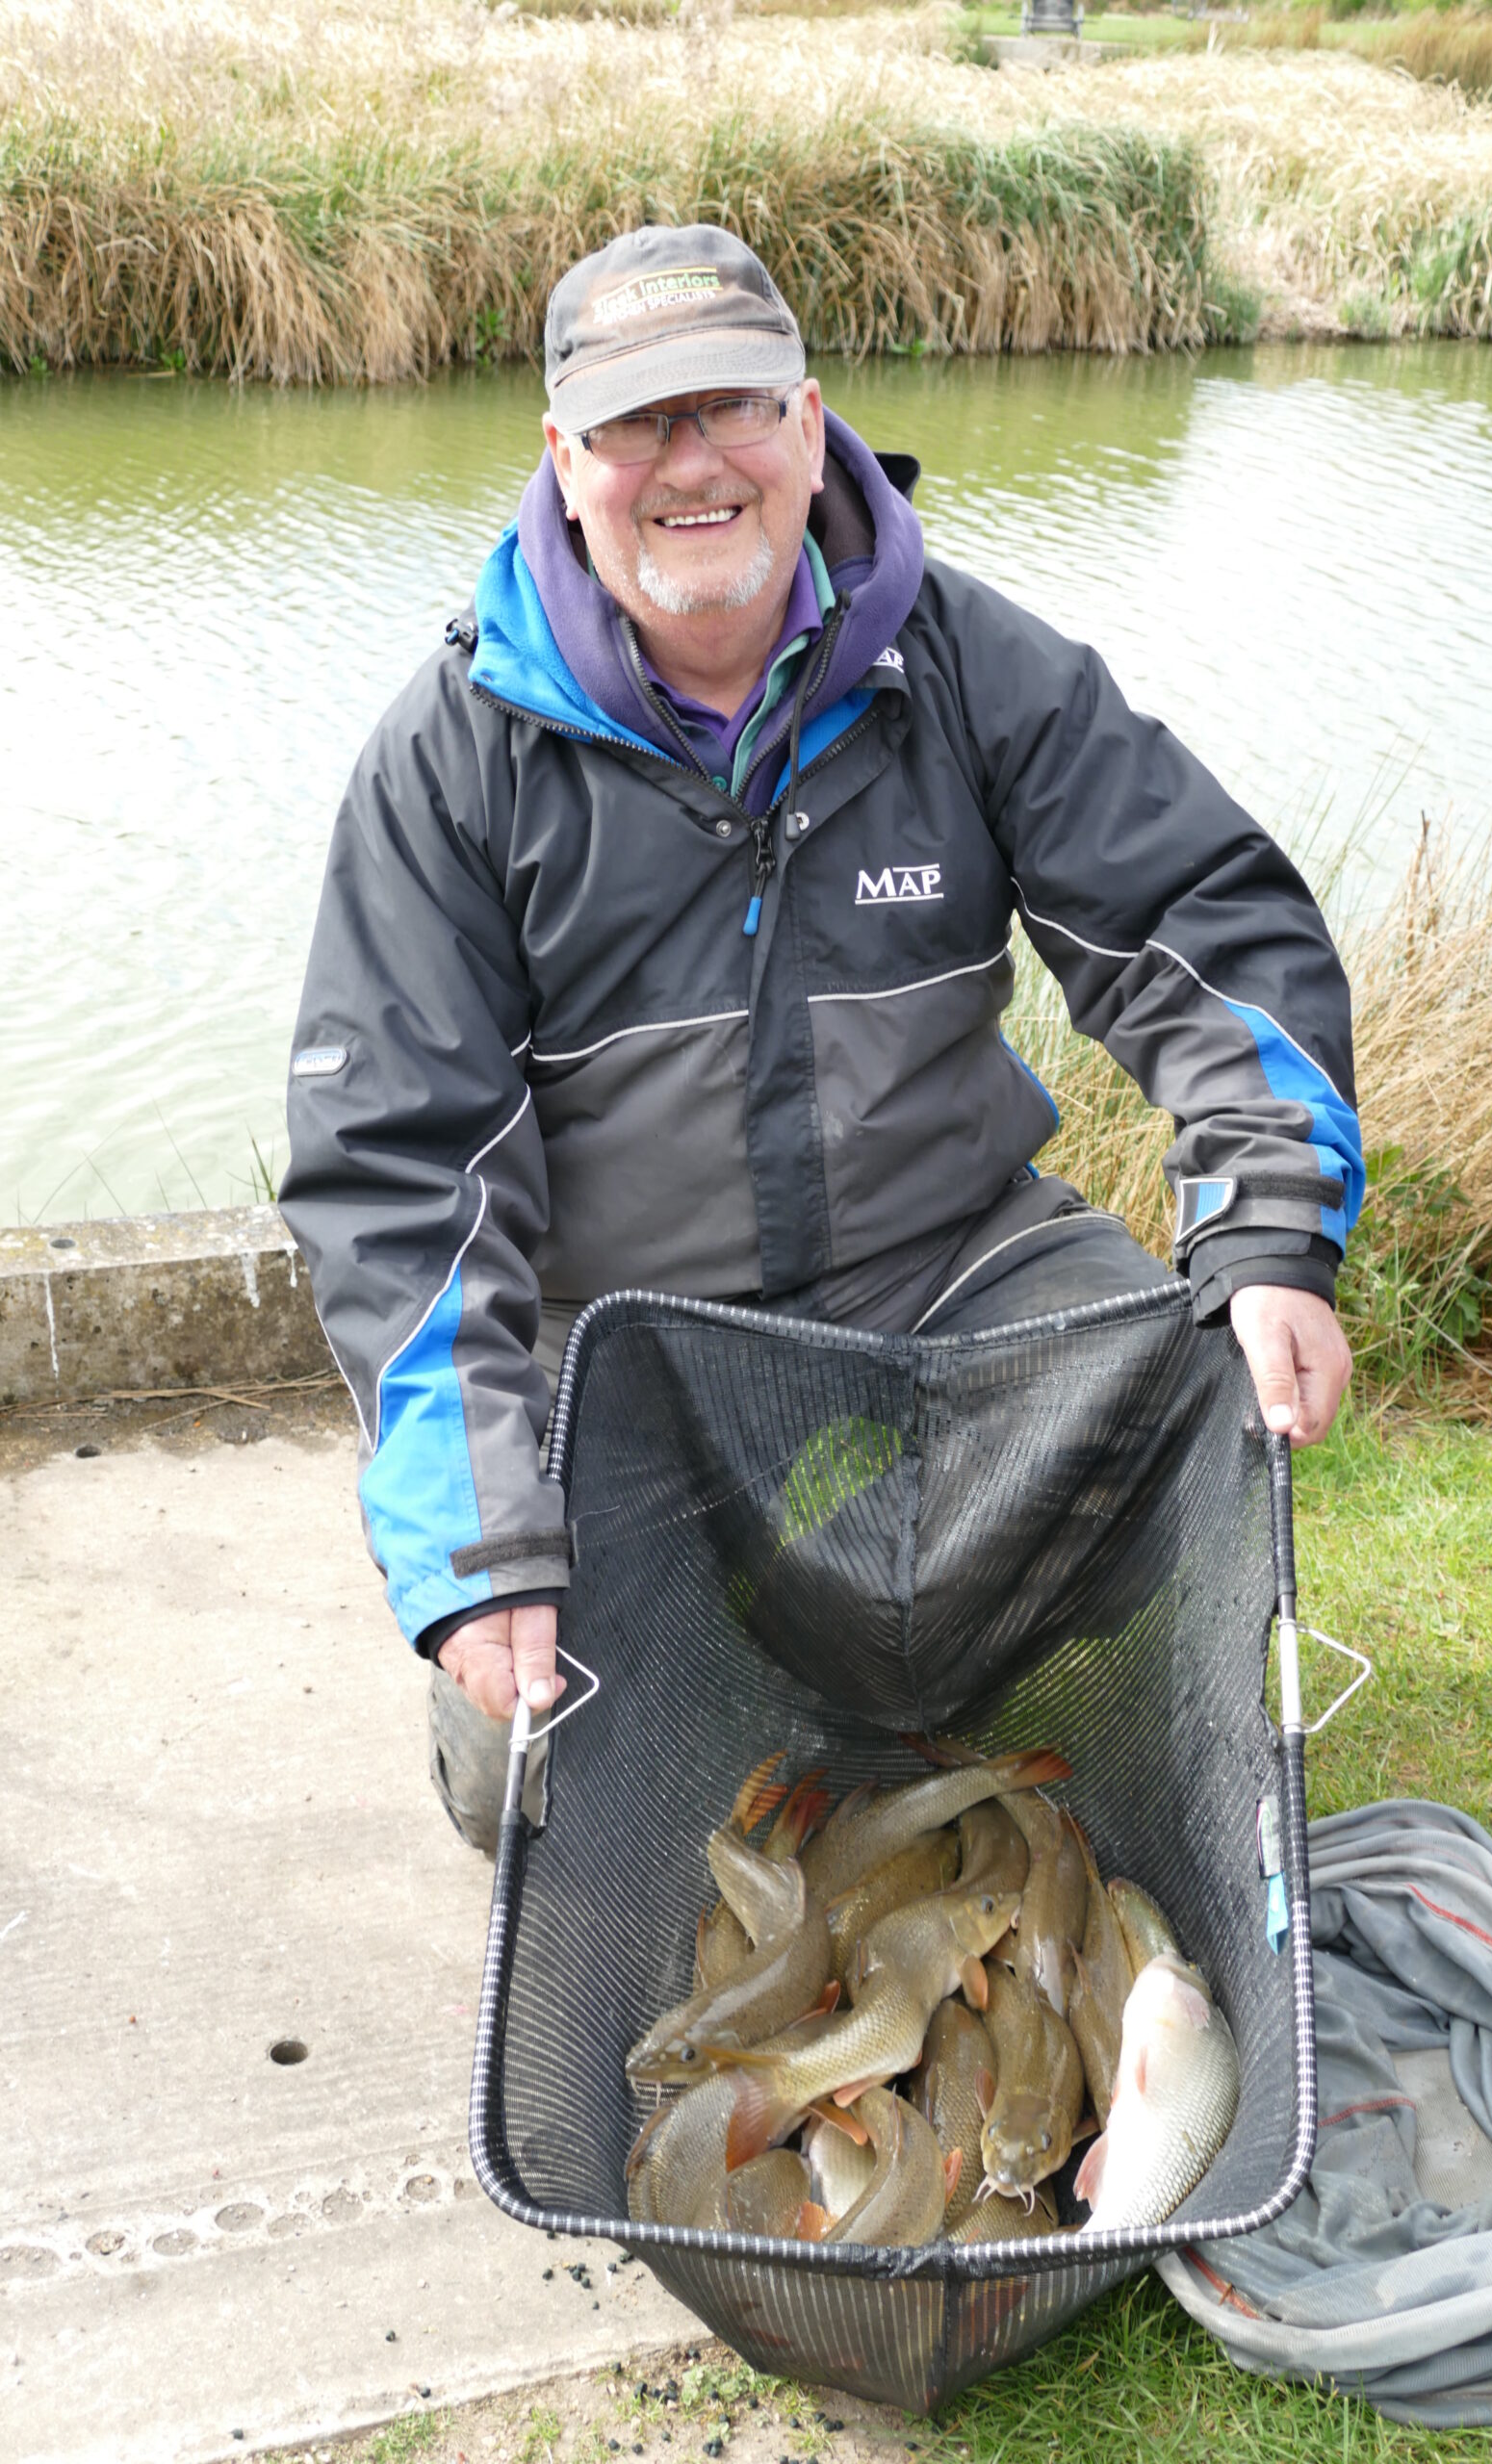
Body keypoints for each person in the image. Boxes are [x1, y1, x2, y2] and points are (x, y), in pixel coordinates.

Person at [281, 225, 1360, 1855]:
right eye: (639, 423)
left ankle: (878, 1654)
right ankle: (759, 1642)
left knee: (1181, 1404)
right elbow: (396, 1180)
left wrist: (1271, 1220)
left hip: (942, 1253)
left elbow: (1200, 925)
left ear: (809, 421)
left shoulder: (974, 667)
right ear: (563, 461)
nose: (691, 463)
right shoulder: (450, 760)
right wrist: (484, 1544)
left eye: (732, 407)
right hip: (622, 1318)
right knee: (529, 1774)